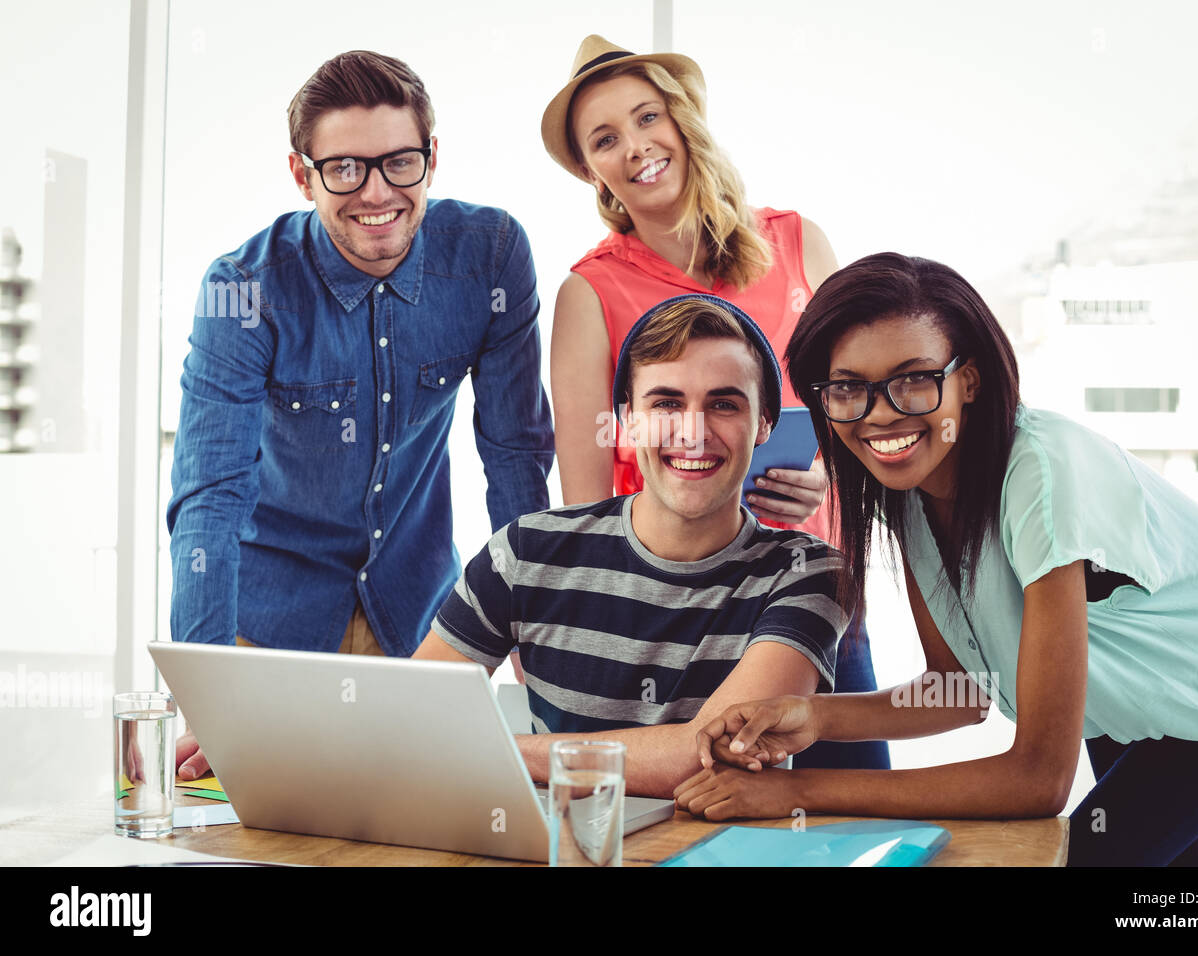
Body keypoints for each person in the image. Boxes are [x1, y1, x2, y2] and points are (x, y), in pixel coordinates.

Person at [674, 252, 1198, 866]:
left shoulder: (1042, 475)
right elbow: (959, 692)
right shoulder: (907, 489)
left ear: (968, 380)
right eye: (848, 388)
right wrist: (812, 716)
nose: (881, 413)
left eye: (914, 380)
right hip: (1130, 695)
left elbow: (1037, 781)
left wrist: (797, 790)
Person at [167, 51, 553, 780]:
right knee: (256, 834)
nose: (376, 192)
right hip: (265, 634)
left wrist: (534, 630)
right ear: (302, 174)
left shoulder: (492, 256)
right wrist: (209, 695)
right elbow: (209, 496)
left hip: (422, 630)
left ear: (432, 157)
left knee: (427, 826)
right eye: (344, 168)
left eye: (399, 162)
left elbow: (515, 459)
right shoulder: (242, 288)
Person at [541, 34, 887, 770]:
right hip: (680, 619)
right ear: (591, 170)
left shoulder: (800, 244)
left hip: (819, 592)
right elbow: (587, 507)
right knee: (700, 808)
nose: (635, 147)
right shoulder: (589, 293)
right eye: (605, 139)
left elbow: (864, 410)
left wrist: (827, 475)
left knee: (855, 806)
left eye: (646, 117)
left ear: (683, 119)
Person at [412, 295, 846, 798]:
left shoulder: (807, 574)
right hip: (561, 838)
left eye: (723, 404)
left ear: (765, 421)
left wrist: (495, 752)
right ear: (628, 419)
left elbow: (702, 755)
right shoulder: (525, 551)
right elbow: (412, 717)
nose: (693, 433)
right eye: (666, 404)